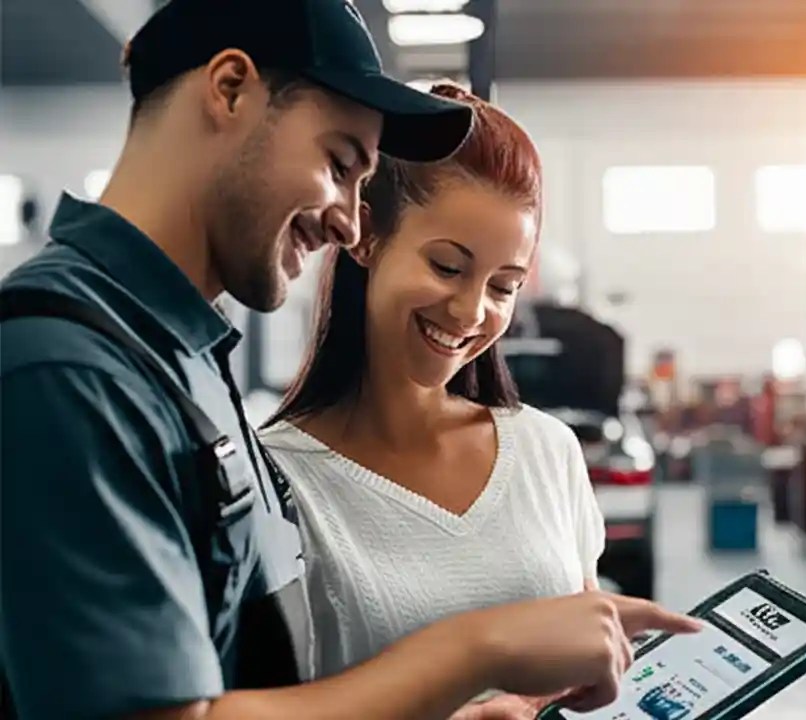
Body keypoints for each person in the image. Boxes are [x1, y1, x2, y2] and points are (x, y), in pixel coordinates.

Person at [0, 1, 697, 719]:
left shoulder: (181, 361)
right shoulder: (69, 369)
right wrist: (476, 650)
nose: (348, 219)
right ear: (231, 89)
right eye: (339, 163)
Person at [258, 83, 604, 719]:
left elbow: (584, 669)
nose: (472, 312)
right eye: (448, 267)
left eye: (504, 286)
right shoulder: (278, 482)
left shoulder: (547, 454)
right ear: (364, 235)